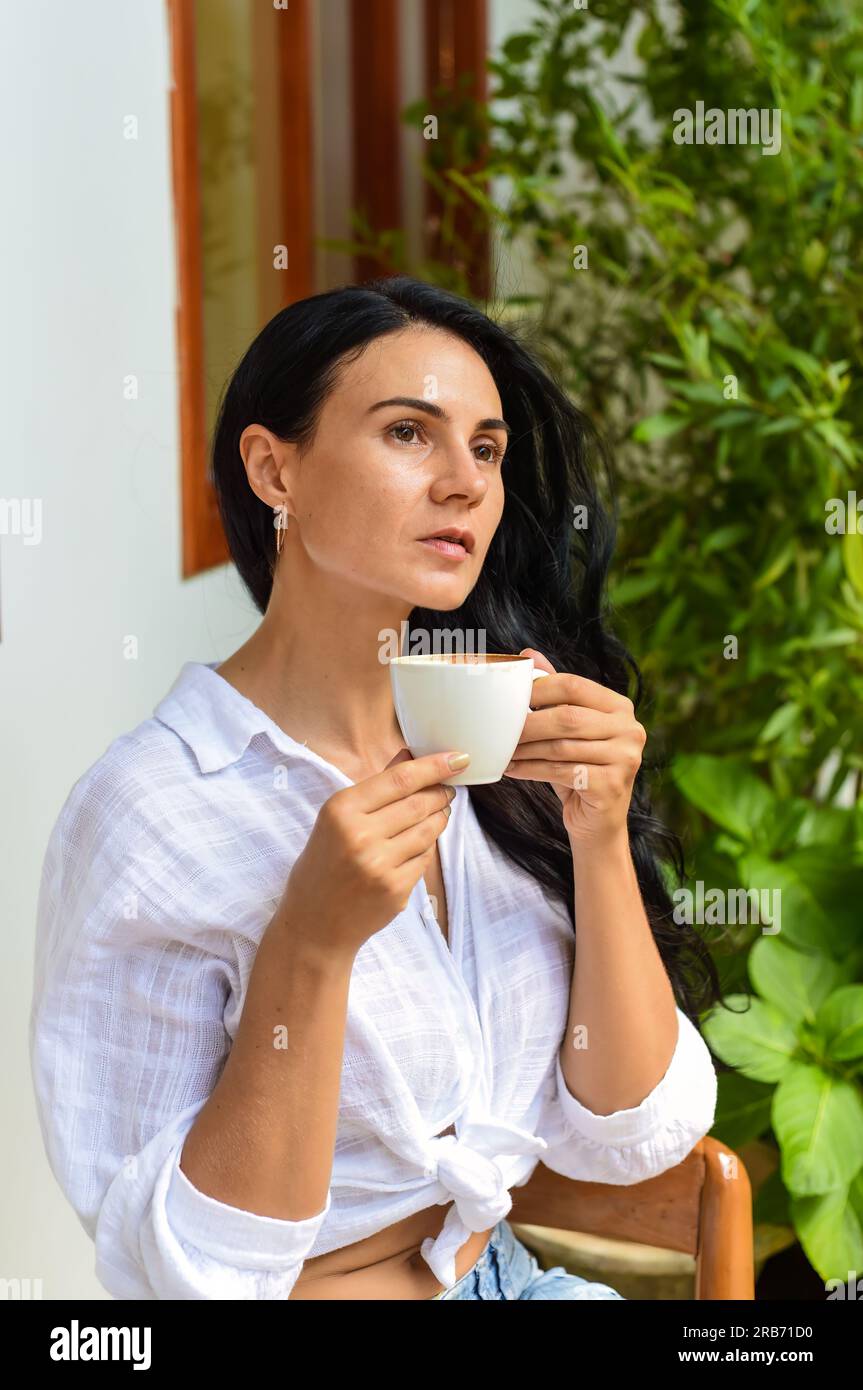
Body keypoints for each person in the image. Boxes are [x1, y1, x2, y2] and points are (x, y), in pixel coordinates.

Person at [29, 275, 720, 1301]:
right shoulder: (156, 809)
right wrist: (309, 941)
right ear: (275, 469)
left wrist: (598, 829)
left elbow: (623, 1124)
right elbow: (193, 1269)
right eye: (409, 433)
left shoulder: (493, 750)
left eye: (484, 448)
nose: (465, 483)